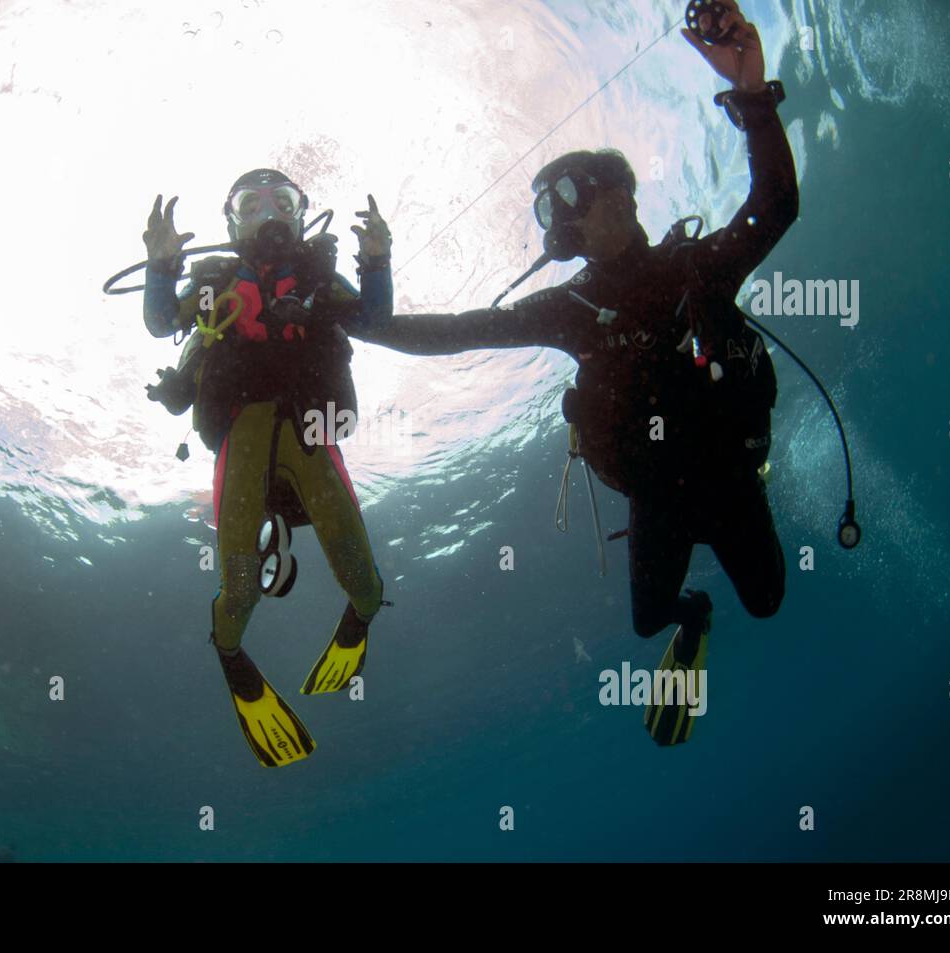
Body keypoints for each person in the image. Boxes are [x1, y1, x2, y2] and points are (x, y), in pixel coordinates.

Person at [342, 2, 795, 746]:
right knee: (651, 617)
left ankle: (715, 599)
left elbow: (776, 205)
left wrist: (751, 94)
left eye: (570, 196)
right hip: (657, 495)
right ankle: (694, 617)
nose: (560, 217)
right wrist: (364, 296)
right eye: (548, 206)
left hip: (729, 476)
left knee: (770, 601)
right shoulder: (570, 308)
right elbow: (453, 335)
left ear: (621, 197)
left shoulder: (694, 268)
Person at [141, 169, 393, 766]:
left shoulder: (315, 275)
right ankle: (232, 656)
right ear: (231, 221)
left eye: (281, 202)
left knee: (365, 580)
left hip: (310, 427)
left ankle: (359, 619)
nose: (267, 213)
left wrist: (377, 260)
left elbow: (374, 321)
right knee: (239, 586)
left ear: (301, 214)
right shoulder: (215, 282)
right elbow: (159, 323)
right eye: (249, 204)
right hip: (243, 434)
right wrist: (160, 267)